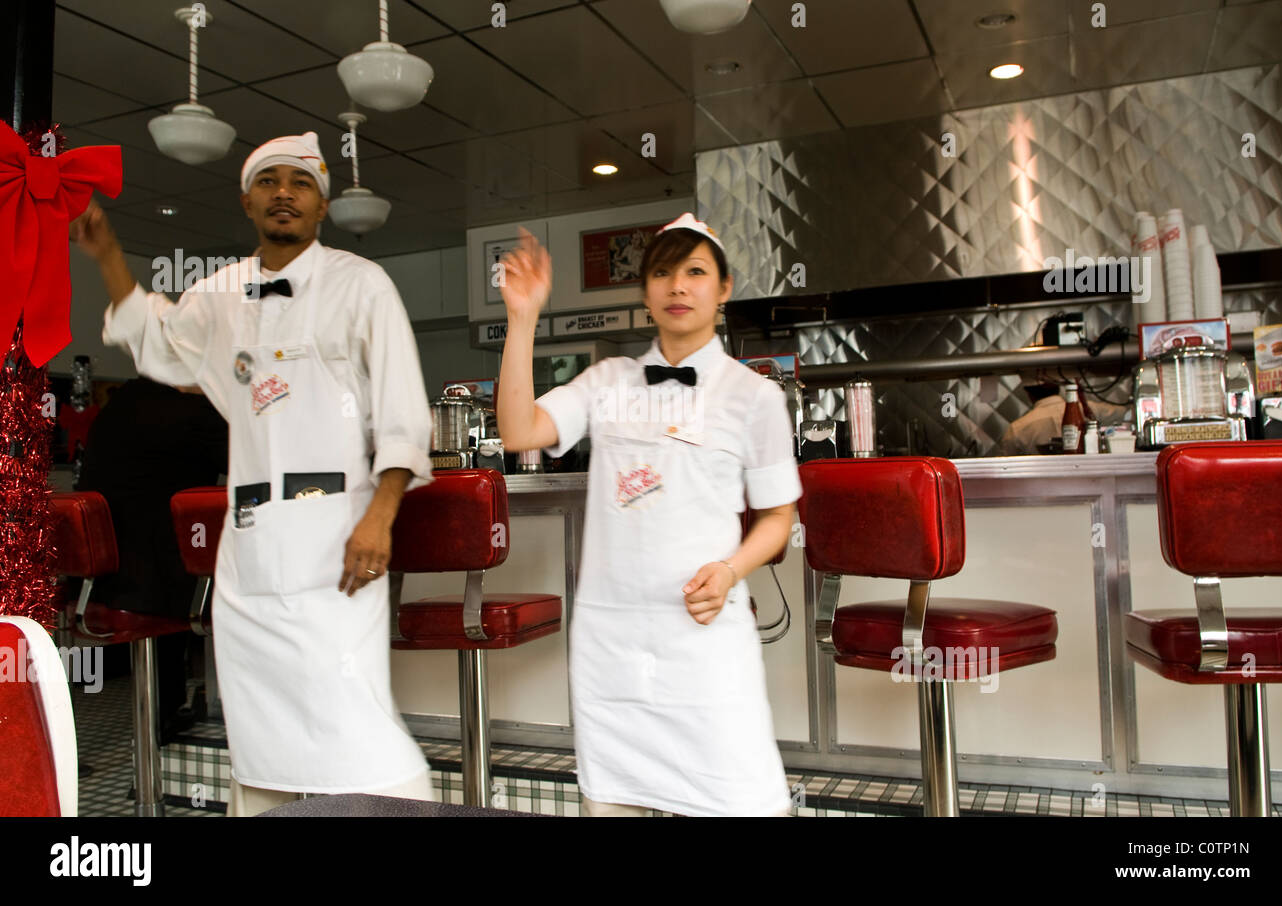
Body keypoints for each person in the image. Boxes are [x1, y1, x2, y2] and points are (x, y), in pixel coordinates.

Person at [71, 132, 435, 815]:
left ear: (322, 204)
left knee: (358, 731)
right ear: (247, 200)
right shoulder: (219, 294)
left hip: (337, 539)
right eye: (269, 181)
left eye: (299, 183)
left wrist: (380, 516)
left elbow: (402, 418)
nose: (284, 193)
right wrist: (112, 259)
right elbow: (158, 340)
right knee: (258, 743)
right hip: (250, 546)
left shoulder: (363, 285)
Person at [497, 213, 800, 817]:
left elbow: (777, 520)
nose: (678, 286)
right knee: (612, 801)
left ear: (725, 288)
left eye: (695, 272)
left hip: (705, 640)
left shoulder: (755, 396)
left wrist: (731, 570)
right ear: (645, 293)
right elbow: (518, 428)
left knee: (741, 799)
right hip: (613, 644)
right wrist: (522, 317)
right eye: (662, 273)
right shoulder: (607, 381)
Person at [75, 377, 228, 739]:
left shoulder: (122, 400)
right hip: (159, 584)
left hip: (101, 580)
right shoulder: (195, 411)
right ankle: (183, 712)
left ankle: (166, 710)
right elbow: (253, 462)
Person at [996, 381, 1130, 455]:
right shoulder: (1088, 408)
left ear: (1029, 394)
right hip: (1088, 481)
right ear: (1058, 388)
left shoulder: (1017, 428)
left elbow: (1005, 464)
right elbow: (1126, 413)